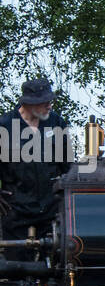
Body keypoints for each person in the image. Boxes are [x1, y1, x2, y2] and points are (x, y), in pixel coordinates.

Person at [0, 77, 72, 254]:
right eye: (45, 102)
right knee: (17, 269)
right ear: (29, 103)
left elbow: (68, 164)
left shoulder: (56, 123)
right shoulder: (5, 126)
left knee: (55, 268)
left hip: (51, 210)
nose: (49, 106)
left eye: (50, 101)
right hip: (16, 210)